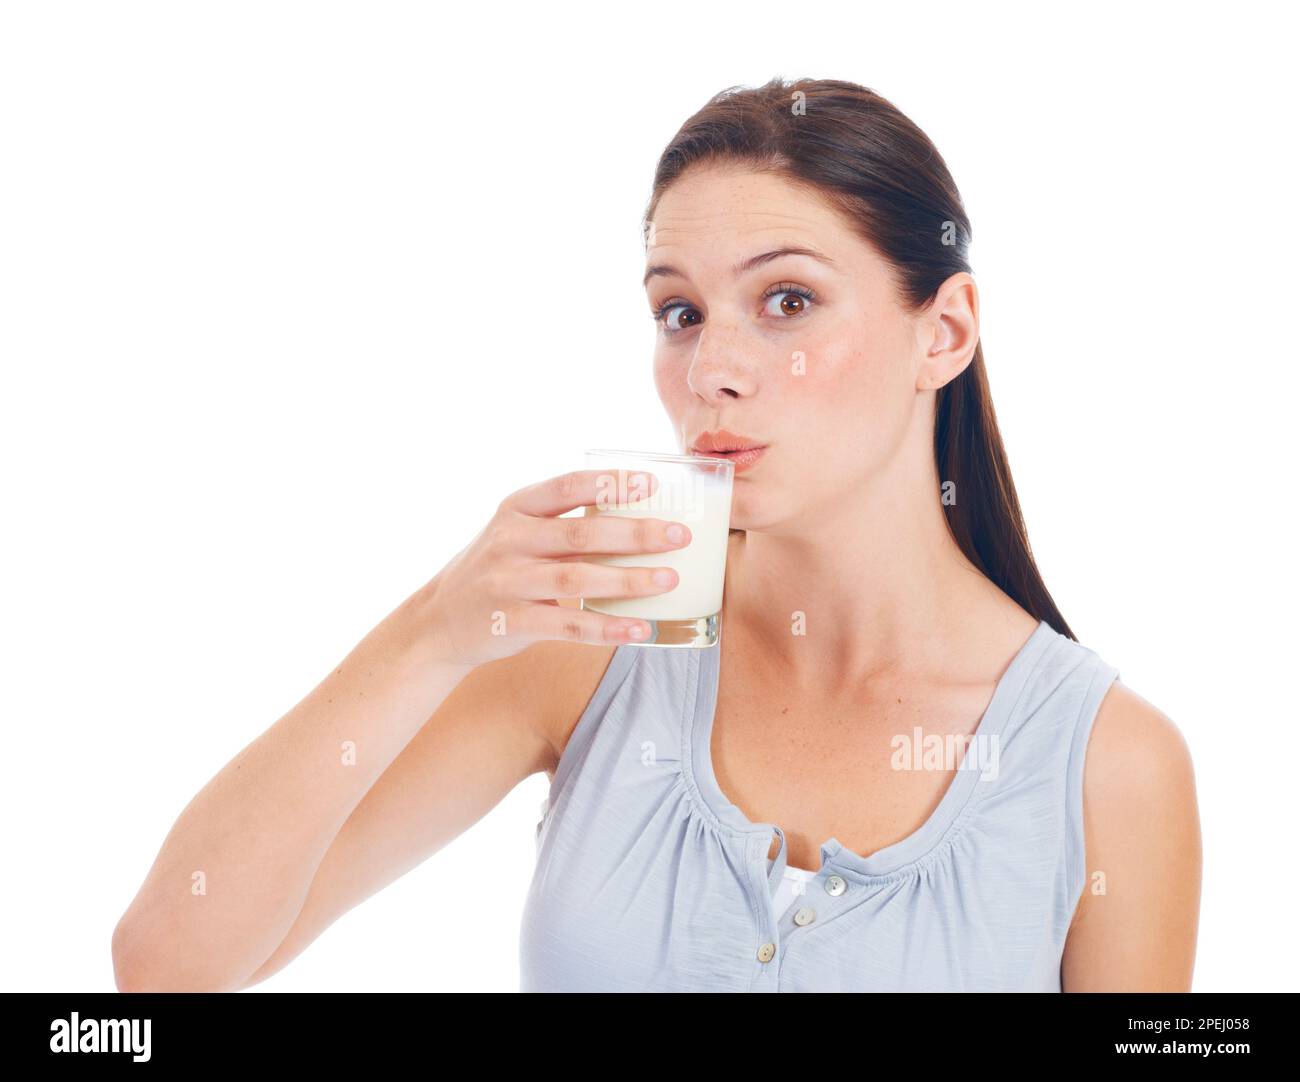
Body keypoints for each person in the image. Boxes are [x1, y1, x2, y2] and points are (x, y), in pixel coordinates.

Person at [112, 77, 1200, 993]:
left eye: (786, 299)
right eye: (679, 310)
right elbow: (170, 964)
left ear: (943, 331)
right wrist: (435, 628)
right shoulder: (594, 642)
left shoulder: (1107, 763)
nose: (709, 367)